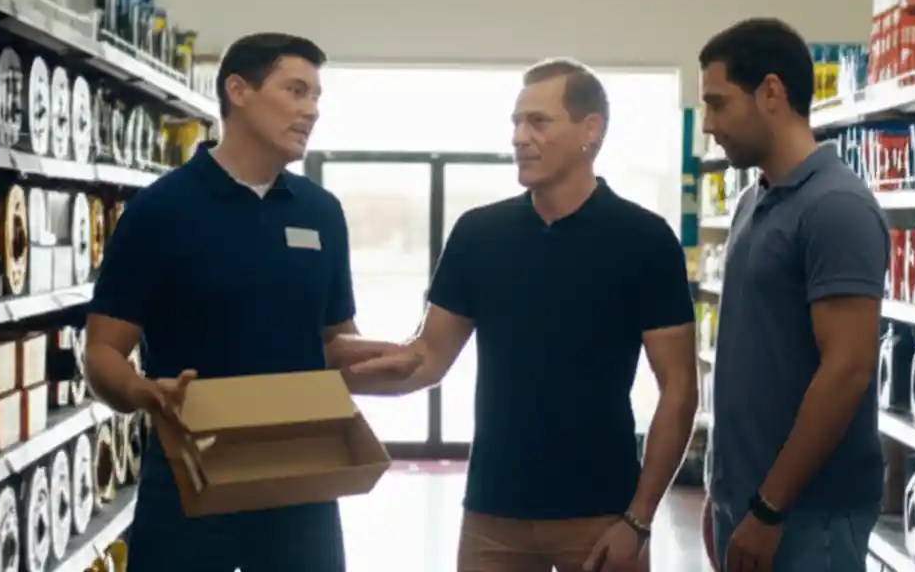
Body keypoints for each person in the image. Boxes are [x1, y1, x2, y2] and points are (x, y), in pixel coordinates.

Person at [82, 32, 418, 571]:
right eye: (296, 91)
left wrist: (392, 359)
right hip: (190, 475)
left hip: (302, 478)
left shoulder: (320, 212)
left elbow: (333, 343)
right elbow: (102, 350)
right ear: (238, 91)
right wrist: (143, 391)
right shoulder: (160, 211)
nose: (312, 110)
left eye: (316, 97)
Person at [348, 58, 700, 572]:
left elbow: (680, 389)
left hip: (602, 514)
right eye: (515, 122)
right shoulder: (478, 235)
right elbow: (426, 358)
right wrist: (328, 376)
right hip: (493, 515)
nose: (519, 137)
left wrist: (638, 520)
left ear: (590, 130)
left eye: (538, 122)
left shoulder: (644, 240)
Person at [697, 19, 887, 572]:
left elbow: (847, 369)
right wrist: (723, 491)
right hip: (750, 505)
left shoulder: (835, 207)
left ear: (772, 93)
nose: (708, 124)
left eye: (718, 103)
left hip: (807, 518)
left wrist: (769, 507)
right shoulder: (752, 202)